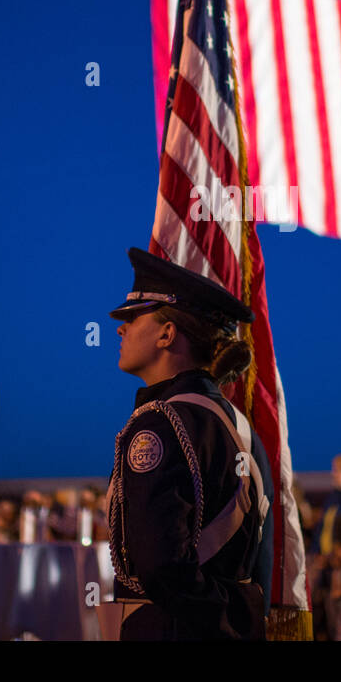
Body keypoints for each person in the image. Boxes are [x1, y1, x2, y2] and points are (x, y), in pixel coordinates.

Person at [104, 248, 274, 640]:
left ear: (167, 334)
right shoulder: (235, 422)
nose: (119, 328)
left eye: (133, 317)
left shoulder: (161, 421)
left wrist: (216, 627)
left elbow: (159, 563)